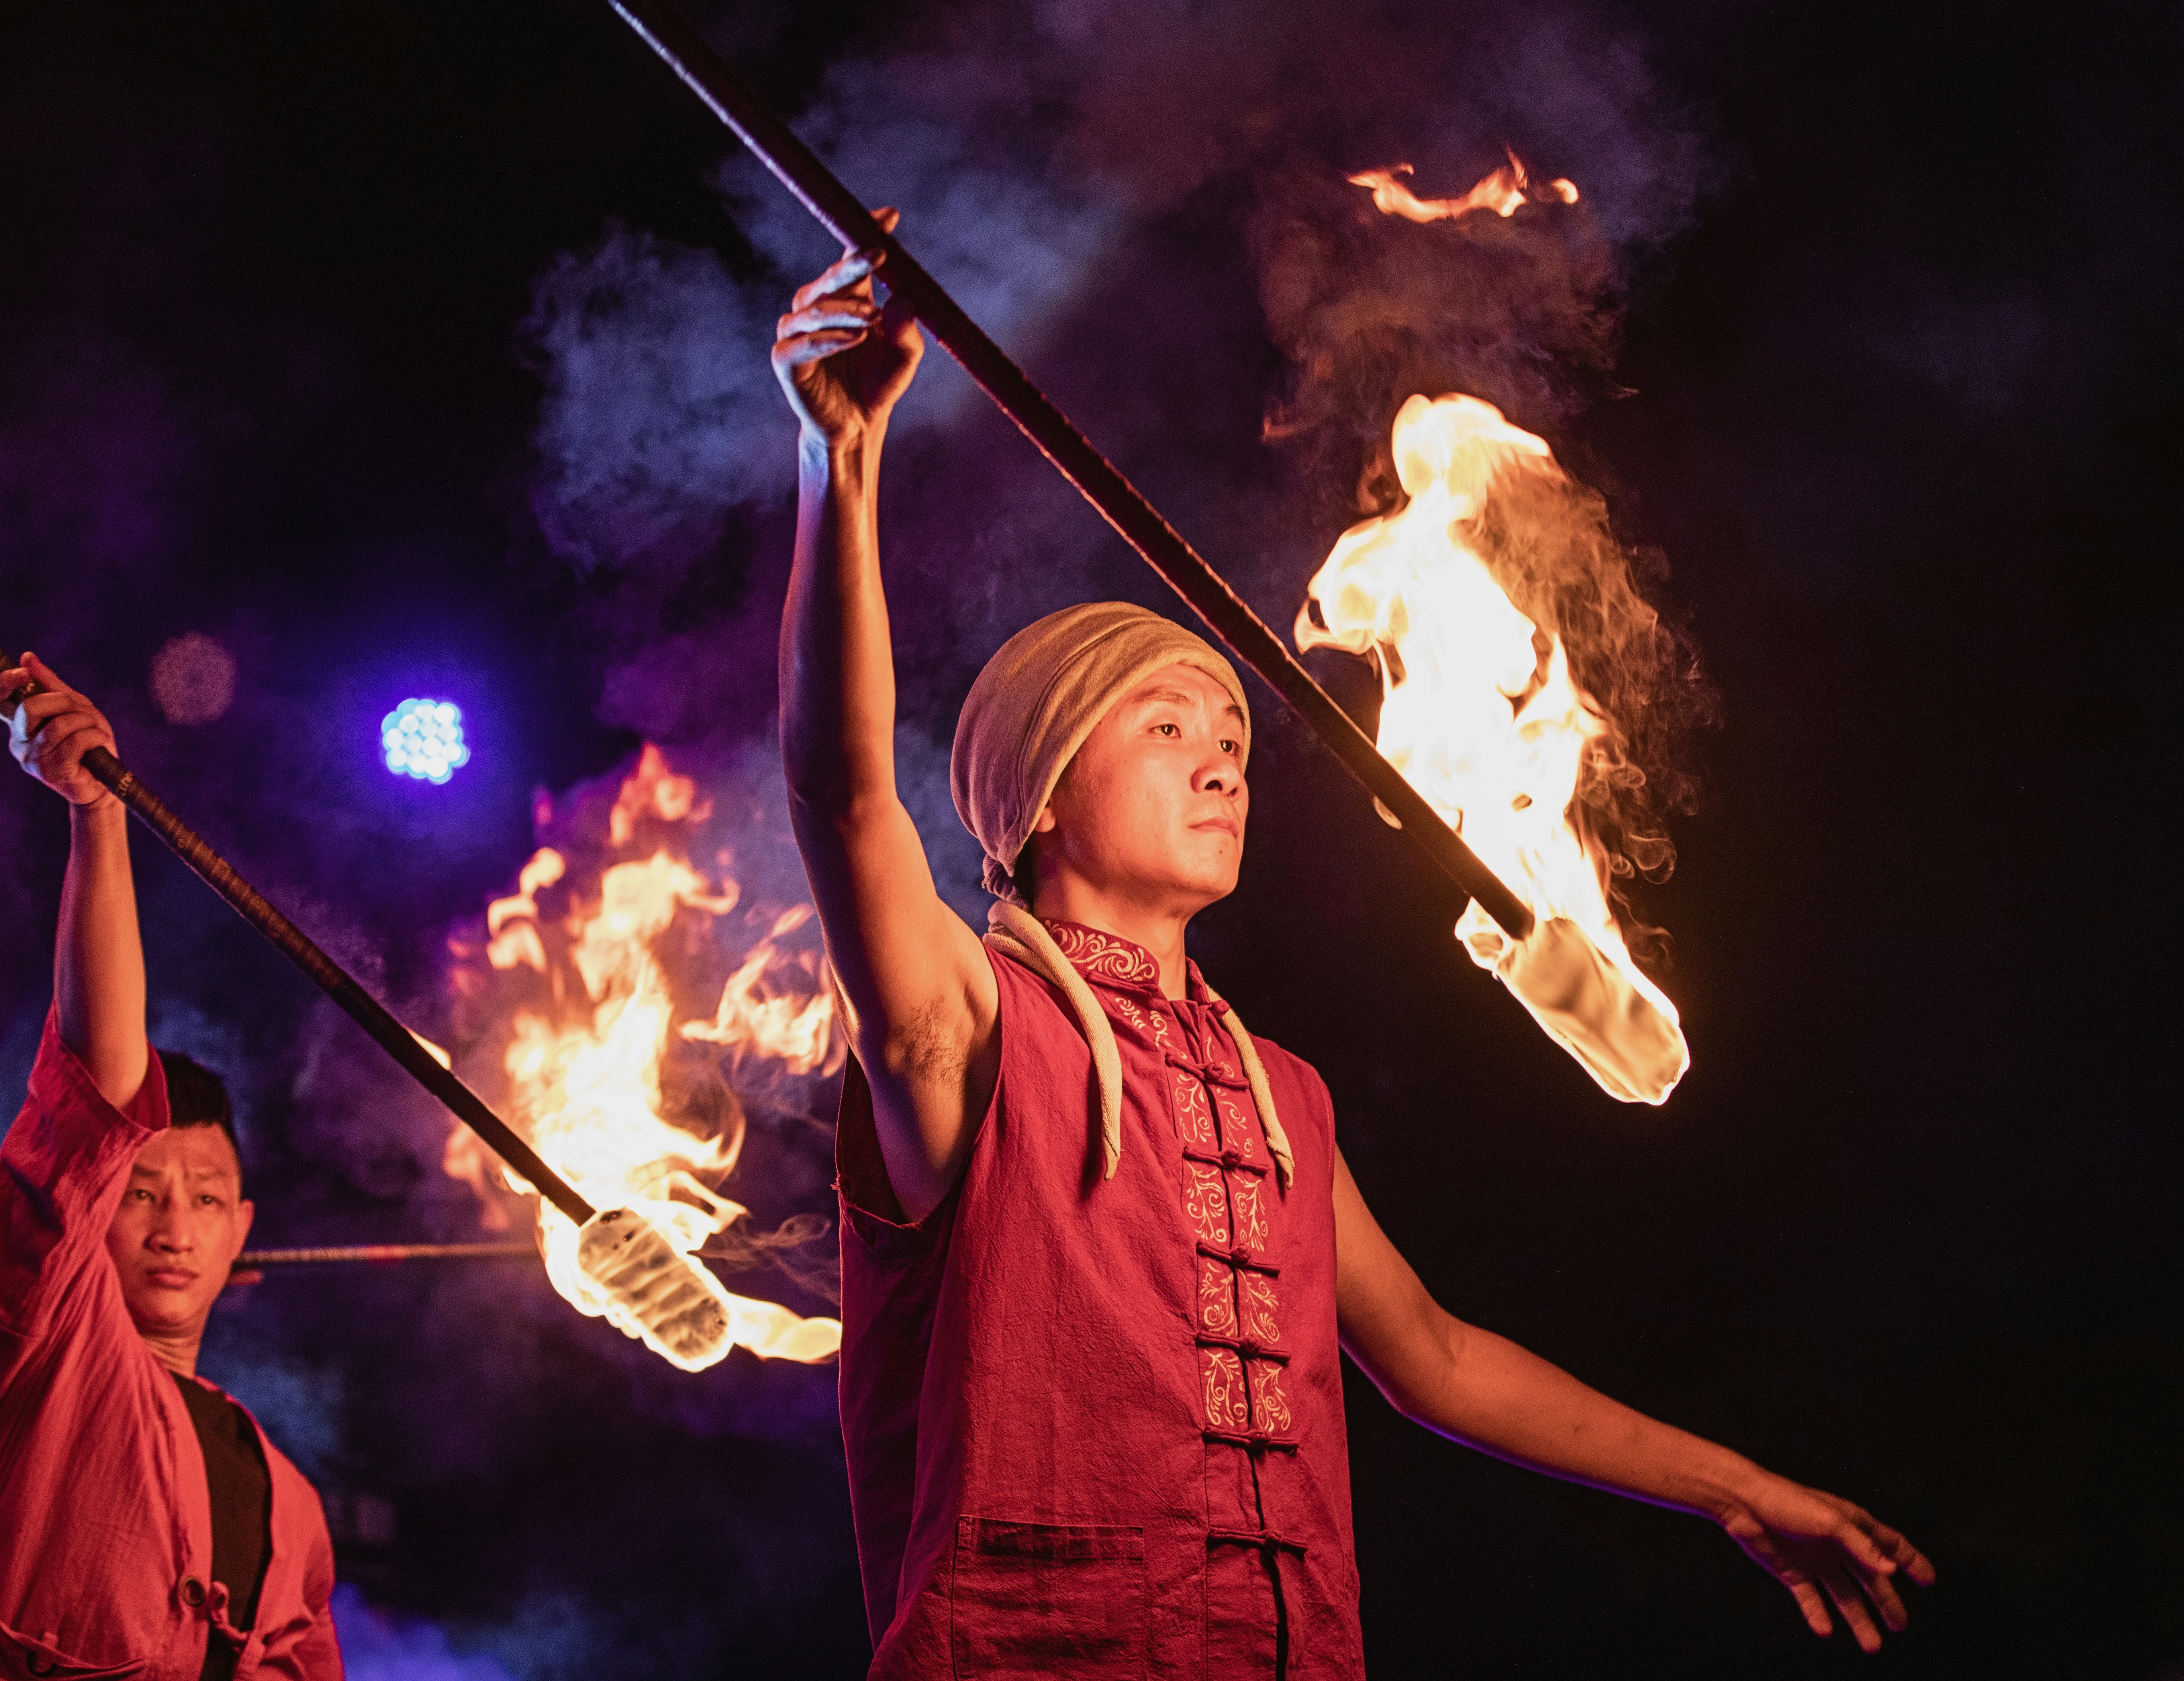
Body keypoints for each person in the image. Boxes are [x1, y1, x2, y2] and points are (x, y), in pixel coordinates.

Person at [772, 217, 1935, 1678]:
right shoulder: (971, 1027)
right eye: (1167, 728)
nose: (1222, 765)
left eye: (1234, 736)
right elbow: (844, 791)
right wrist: (847, 459)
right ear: (1046, 792)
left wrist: (1737, 1488)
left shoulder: (1281, 1098)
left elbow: (1437, 1362)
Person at [0, 654, 341, 1679]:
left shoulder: (293, 1505)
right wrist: (97, 815)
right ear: (95, 1202)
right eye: (143, 1191)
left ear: (241, 1231)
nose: (174, 1226)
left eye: (205, 1200)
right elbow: (102, 1084)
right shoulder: (37, 1344)